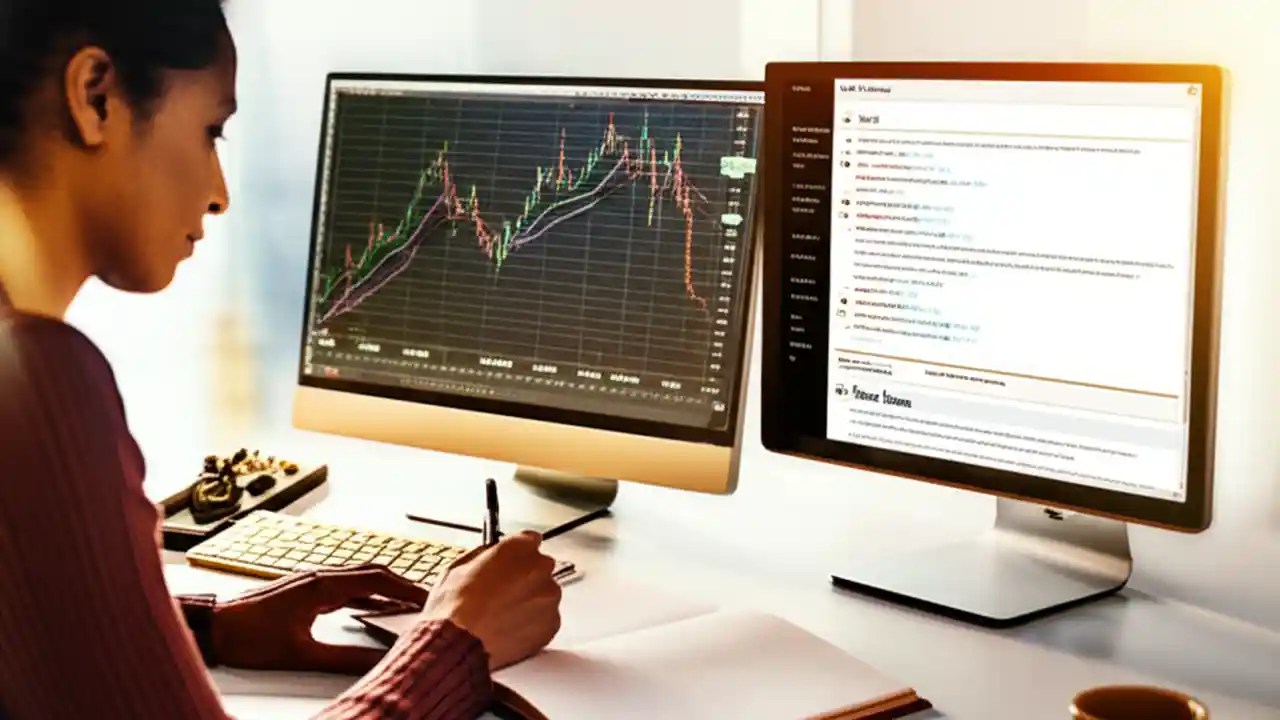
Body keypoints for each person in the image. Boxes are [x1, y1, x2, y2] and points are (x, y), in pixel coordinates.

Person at [0, 1, 563, 718]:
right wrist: (456, 641)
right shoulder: (36, 380)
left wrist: (215, 625)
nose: (220, 194)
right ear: (96, 96)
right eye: (210, 132)